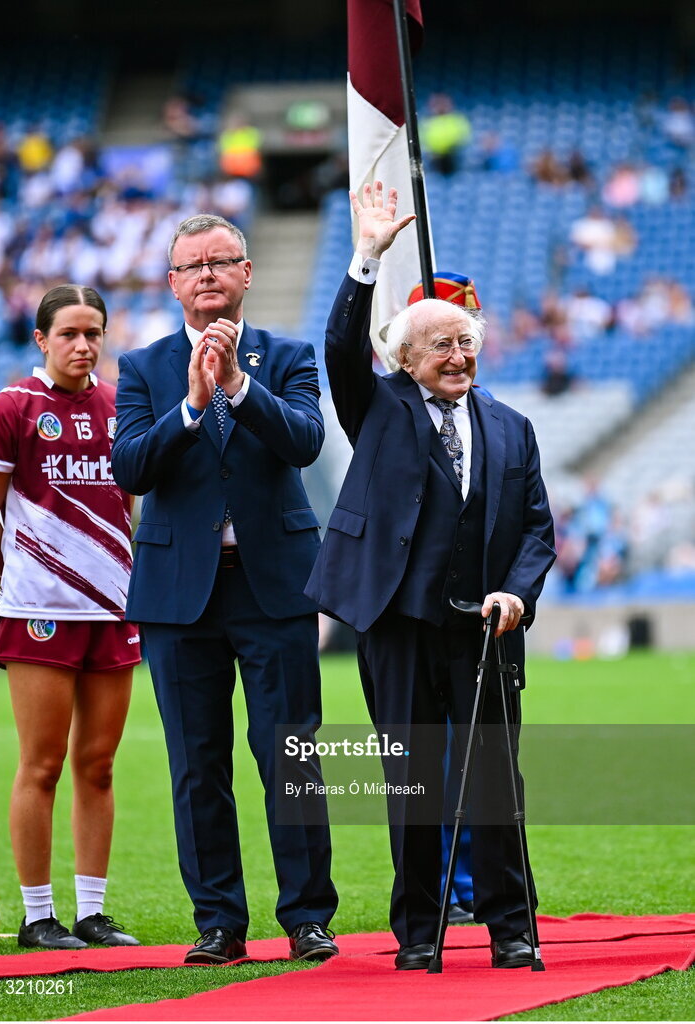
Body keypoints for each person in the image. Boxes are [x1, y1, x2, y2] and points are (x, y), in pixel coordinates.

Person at [306, 182, 556, 971]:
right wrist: (368, 255)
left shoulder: (513, 427)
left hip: (486, 627)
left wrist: (517, 591)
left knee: (493, 780)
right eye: (442, 345)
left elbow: (539, 528)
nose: (459, 356)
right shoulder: (376, 407)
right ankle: (419, 933)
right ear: (405, 360)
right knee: (411, 783)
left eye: (467, 343)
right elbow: (340, 348)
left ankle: (513, 928)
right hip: (398, 622)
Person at [111, 213, 338, 965]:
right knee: (196, 764)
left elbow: (304, 441)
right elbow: (133, 470)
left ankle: (307, 917)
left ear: (247, 273)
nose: (208, 274)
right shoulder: (143, 368)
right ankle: (219, 924)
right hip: (179, 598)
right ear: (173, 283)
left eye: (222, 261)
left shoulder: (289, 355)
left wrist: (237, 385)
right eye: (193, 265)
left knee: (293, 757)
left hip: (274, 588)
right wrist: (192, 406)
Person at [0, 285, 142, 950]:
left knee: (97, 765)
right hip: (39, 612)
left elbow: (129, 505)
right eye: (68, 333)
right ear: (41, 339)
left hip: (112, 608)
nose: (82, 345)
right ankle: (38, 916)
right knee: (41, 764)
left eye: (92, 332)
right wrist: (17, 584)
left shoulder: (122, 404)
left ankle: (92, 912)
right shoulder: (12, 409)